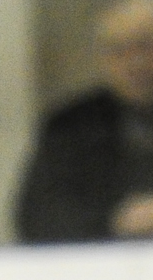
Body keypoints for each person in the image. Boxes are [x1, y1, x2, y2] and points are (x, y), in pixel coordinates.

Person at [16, 0, 153, 243]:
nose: (135, 63)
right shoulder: (71, 126)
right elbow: (38, 218)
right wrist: (117, 221)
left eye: (144, 46)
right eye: (119, 50)